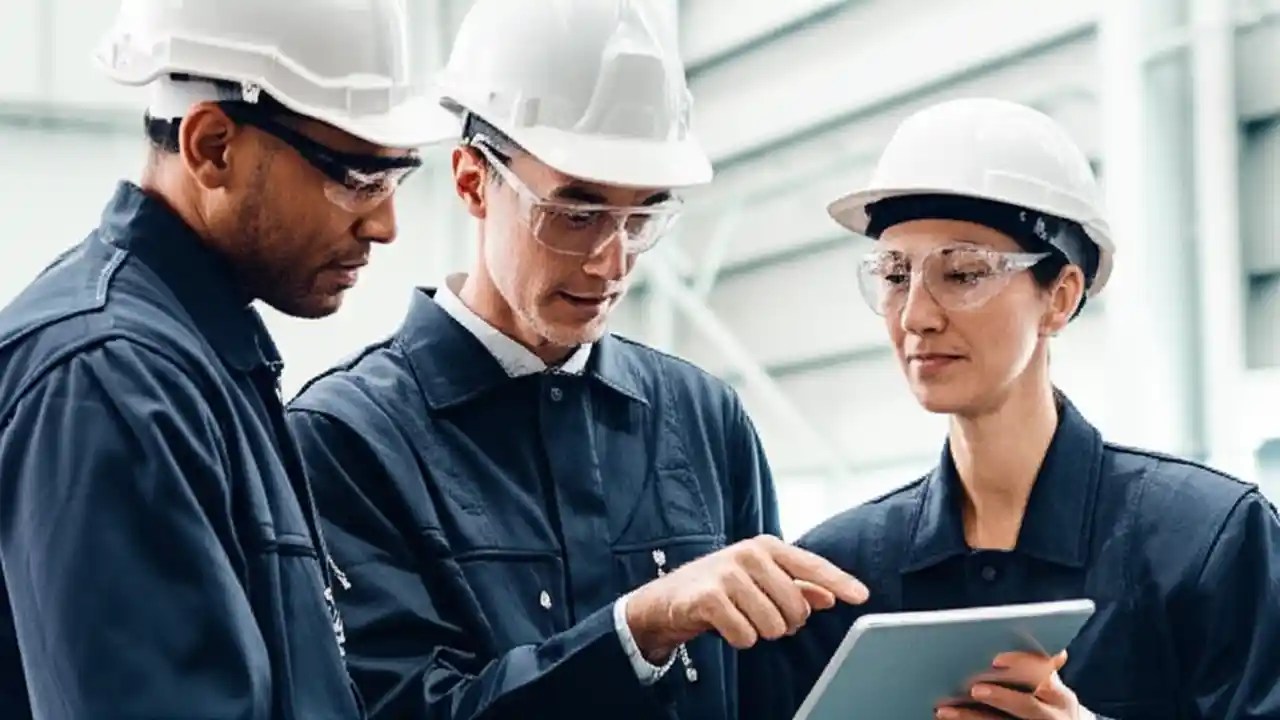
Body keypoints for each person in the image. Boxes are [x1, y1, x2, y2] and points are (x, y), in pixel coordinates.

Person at [285, 1, 868, 718]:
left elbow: (771, 695)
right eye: (576, 213)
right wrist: (640, 629)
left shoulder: (705, 418)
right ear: (471, 179)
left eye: (643, 215)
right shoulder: (343, 440)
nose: (610, 261)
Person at [738, 97, 1280, 720]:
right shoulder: (840, 574)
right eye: (894, 275)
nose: (916, 315)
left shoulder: (1208, 542)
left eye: (964, 273)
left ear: (1060, 297)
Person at [0, 1, 455, 717]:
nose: (385, 224)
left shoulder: (201, 364)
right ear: (212, 146)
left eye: (398, 178)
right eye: (358, 178)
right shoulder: (109, 380)